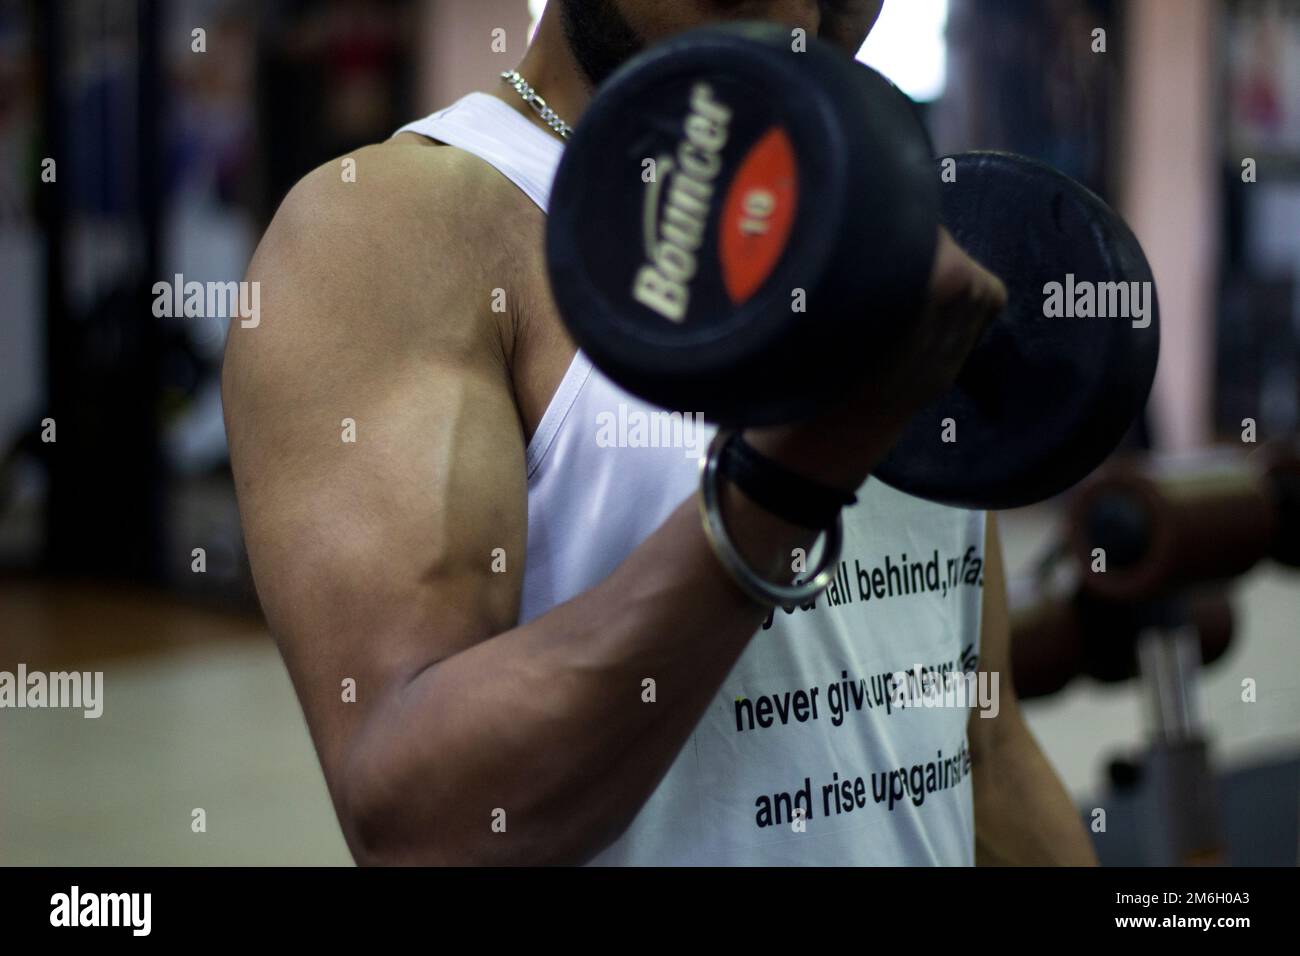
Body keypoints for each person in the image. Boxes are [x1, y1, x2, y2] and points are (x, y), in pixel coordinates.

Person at [222, 0, 1097, 865]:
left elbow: (983, 755)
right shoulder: (396, 228)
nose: (801, 12)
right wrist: (794, 477)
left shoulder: (884, 238)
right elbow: (421, 821)